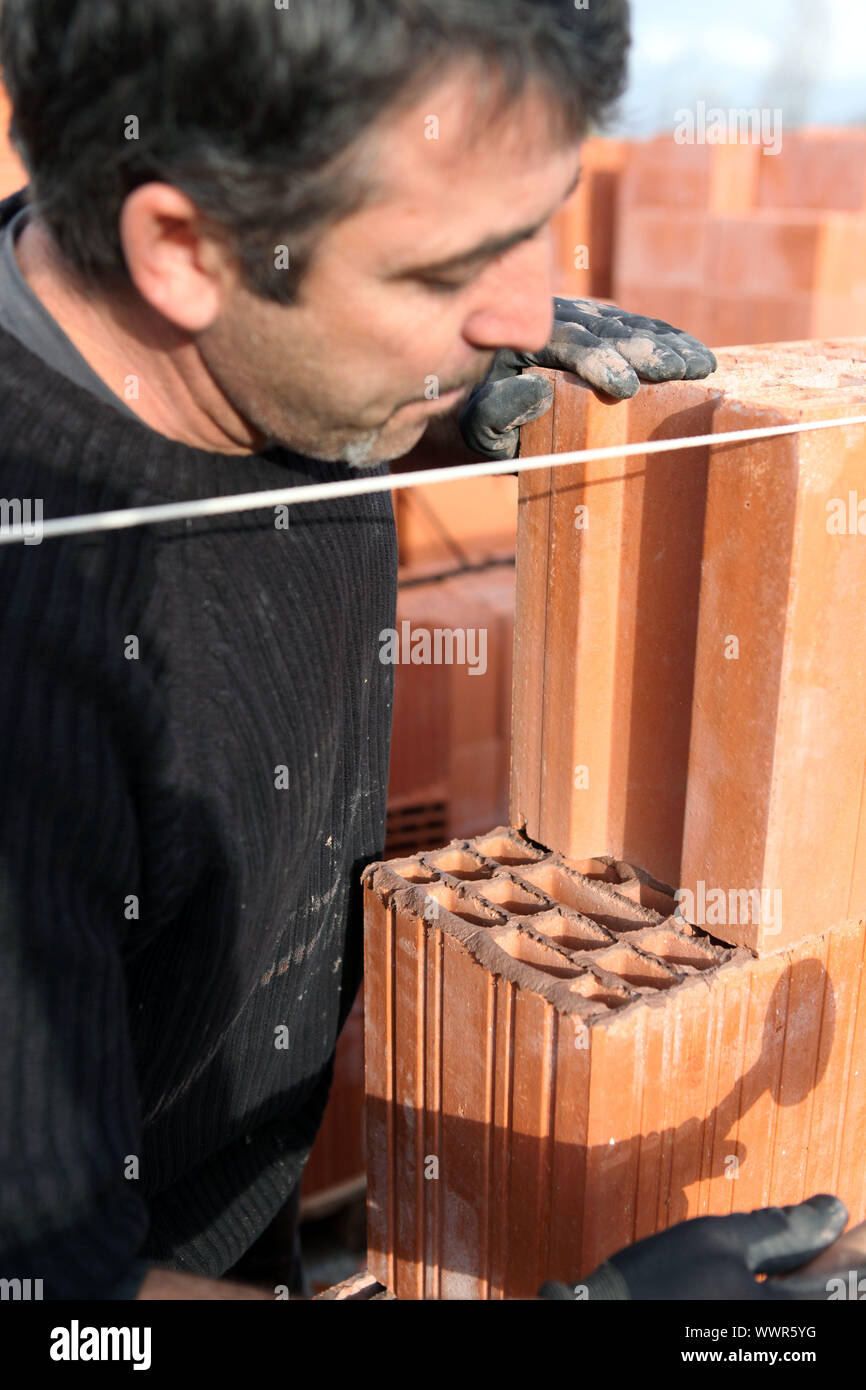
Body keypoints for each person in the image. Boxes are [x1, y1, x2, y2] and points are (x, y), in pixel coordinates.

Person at [0, 0, 843, 1302]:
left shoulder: (241, 349)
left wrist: (430, 411)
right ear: (180, 247)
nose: (520, 314)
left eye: (534, 225)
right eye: (444, 270)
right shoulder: (36, 661)